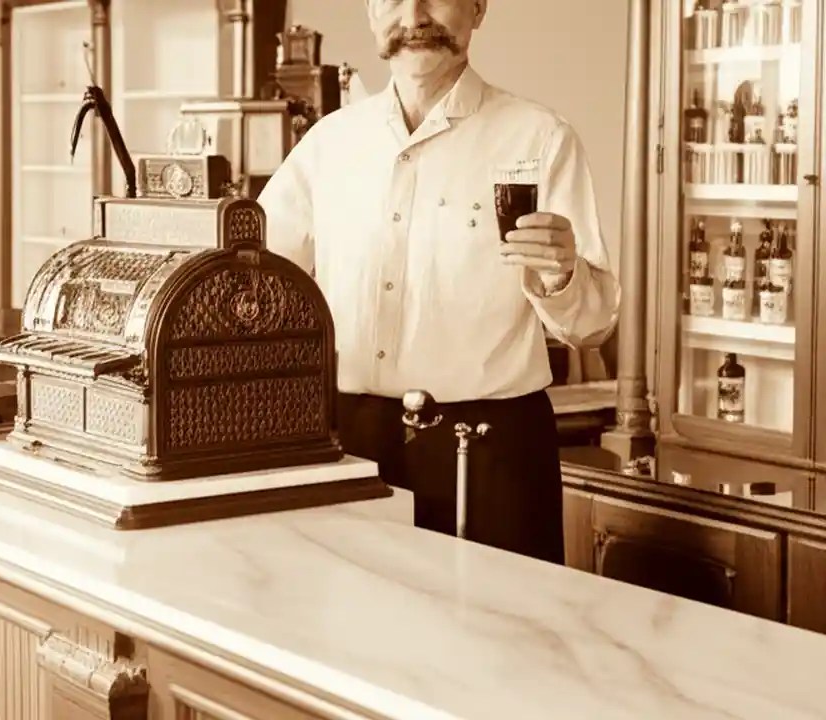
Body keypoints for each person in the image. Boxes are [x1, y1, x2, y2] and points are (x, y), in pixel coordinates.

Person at [257, 0, 621, 564]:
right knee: (348, 636)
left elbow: (592, 327)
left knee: (499, 639)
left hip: (492, 449)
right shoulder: (329, 144)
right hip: (346, 445)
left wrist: (564, 271)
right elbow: (250, 270)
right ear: (372, 12)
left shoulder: (539, 139)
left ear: (478, 8)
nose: (416, 14)